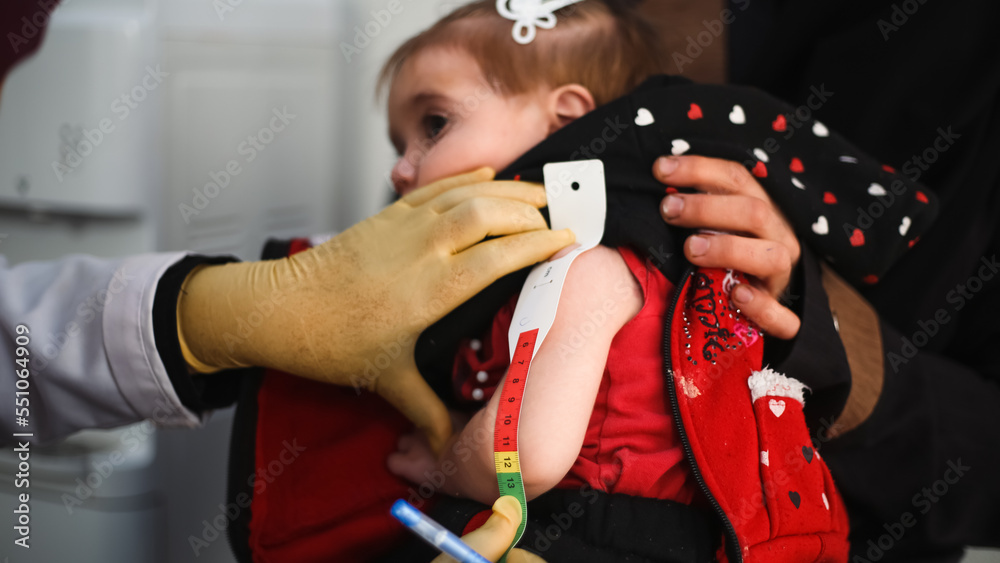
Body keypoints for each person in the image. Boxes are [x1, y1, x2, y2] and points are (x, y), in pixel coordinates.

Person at [0, 0, 576, 450]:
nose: (400, 172)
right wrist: (206, 321)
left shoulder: (588, 267)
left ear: (566, 119)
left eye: (435, 123)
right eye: (399, 143)